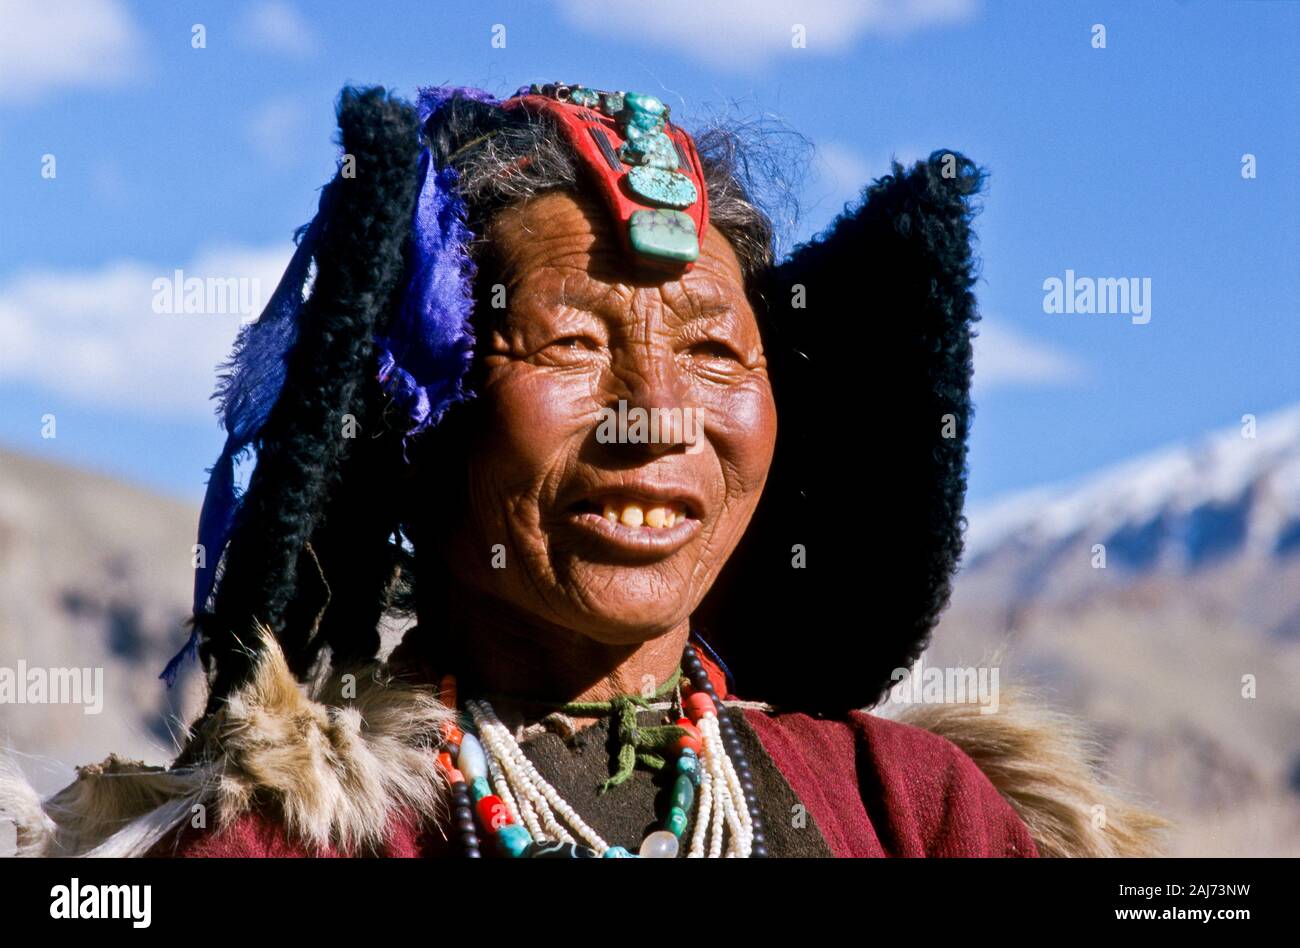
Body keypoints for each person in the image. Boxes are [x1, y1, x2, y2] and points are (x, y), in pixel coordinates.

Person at [1, 82, 1163, 858]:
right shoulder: (280, 848)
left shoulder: (909, 810)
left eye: (715, 350)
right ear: (415, 419)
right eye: (568, 344)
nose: (656, 418)